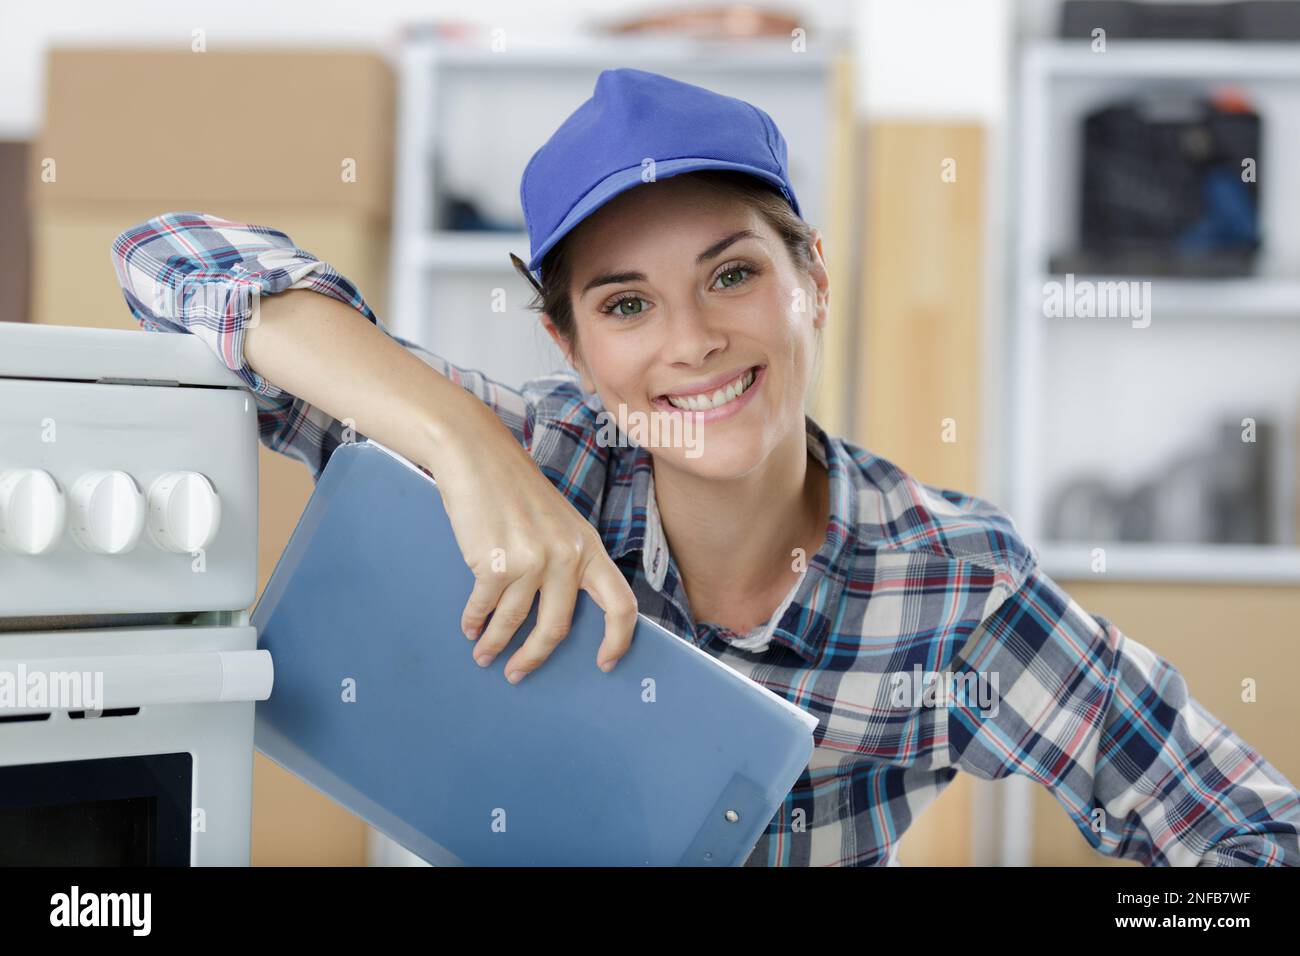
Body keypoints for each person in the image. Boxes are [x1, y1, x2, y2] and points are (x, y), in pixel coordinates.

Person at [110, 68, 1299, 867]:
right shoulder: (534, 464)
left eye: (731, 273)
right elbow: (165, 262)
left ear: (812, 279)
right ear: (568, 345)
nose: (690, 342)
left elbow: (1248, 831)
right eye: (626, 303)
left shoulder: (950, 588)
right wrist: (467, 450)